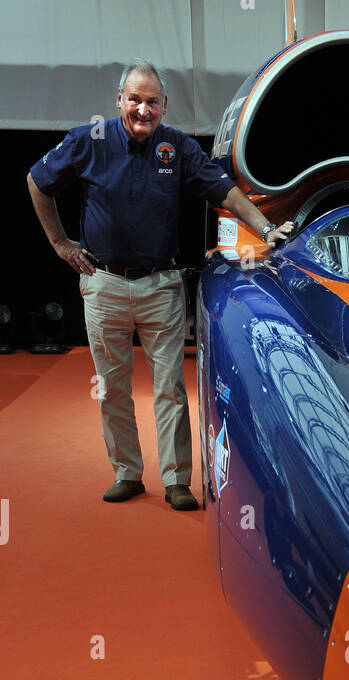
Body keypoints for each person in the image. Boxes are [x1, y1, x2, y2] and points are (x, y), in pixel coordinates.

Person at [27, 60, 294, 506]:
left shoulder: (180, 148)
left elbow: (224, 191)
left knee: (170, 388)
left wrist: (266, 230)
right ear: (119, 101)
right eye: (135, 100)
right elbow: (37, 181)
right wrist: (59, 242)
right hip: (104, 284)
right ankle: (127, 473)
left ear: (164, 105)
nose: (143, 109)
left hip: (161, 287)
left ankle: (176, 481)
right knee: (112, 388)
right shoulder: (88, 141)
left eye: (152, 102)